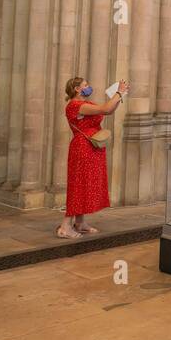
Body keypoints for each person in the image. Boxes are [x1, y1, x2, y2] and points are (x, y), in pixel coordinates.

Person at [59, 76, 128, 238]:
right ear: (77, 89)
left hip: (93, 146)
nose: (89, 87)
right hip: (82, 147)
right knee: (78, 184)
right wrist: (119, 92)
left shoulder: (87, 104)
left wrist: (118, 96)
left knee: (87, 184)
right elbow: (104, 109)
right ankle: (65, 226)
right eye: (85, 85)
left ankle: (80, 222)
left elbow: (109, 110)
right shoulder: (76, 106)